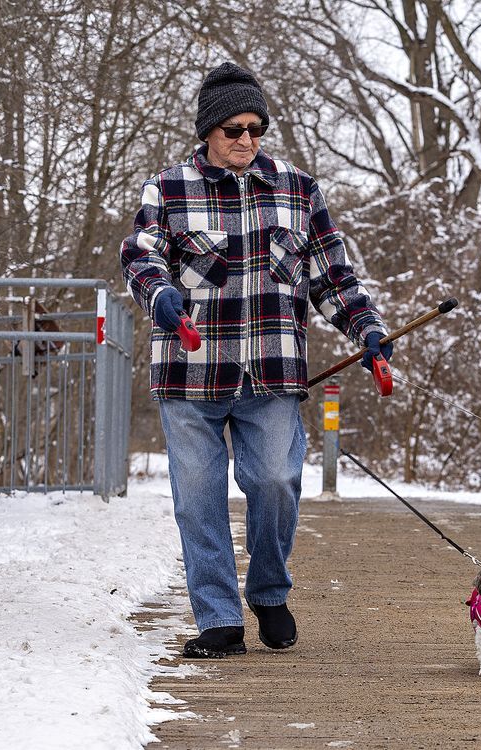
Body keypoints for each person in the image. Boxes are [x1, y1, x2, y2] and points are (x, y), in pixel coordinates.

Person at [120, 62, 392, 658]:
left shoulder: (299, 189)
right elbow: (141, 255)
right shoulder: (167, 189)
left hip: (272, 372)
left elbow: (332, 277)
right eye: (234, 129)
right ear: (208, 131)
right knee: (199, 500)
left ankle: (268, 591)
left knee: (275, 482)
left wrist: (367, 330)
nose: (246, 139)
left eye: (256, 128)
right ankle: (219, 619)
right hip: (189, 373)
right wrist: (159, 293)